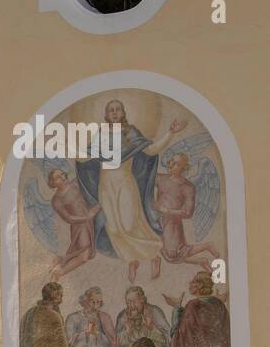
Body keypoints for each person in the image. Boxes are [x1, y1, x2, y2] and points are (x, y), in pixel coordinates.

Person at [74, 100, 187, 282]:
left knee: (128, 224)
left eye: (118, 109)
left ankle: (154, 254)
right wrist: (65, 148)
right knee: (114, 228)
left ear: (123, 112)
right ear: (106, 114)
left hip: (125, 182)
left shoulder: (131, 133)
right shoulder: (101, 134)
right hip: (106, 185)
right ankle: (132, 260)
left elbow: (151, 150)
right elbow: (85, 157)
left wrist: (171, 133)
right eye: (111, 110)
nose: (115, 112)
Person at [153, 153, 220, 269]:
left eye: (177, 164)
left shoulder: (188, 187)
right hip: (157, 220)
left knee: (172, 253)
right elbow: (144, 180)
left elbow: (188, 212)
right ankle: (201, 261)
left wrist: (167, 211)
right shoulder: (160, 178)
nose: (173, 166)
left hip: (173, 224)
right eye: (172, 162)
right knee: (167, 254)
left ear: (184, 168)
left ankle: (207, 246)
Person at [47, 168, 101, 280]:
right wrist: (86, 217)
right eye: (58, 177)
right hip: (79, 226)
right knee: (83, 256)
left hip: (90, 220)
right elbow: (68, 218)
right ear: (53, 183)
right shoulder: (56, 200)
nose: (62, 177)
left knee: (82, 254)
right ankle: (60, 271)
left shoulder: (76, 183)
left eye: (62, 174)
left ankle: (61, 265)